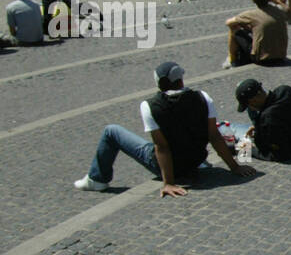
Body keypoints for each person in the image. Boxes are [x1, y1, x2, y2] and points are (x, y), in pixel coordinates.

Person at [73, 61, 258, 194]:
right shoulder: (203, 97)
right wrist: (234, 167)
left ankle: (97, 179)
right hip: (194, 159)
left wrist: (168, 182)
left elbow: (161, 147)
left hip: (173, 166)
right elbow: (214, 136)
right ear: (181, 80)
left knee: (111, 131)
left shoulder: (149, 106)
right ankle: (196, 166)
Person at [234, 78, 291, 161]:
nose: (250, 106)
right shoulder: (285, 90)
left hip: (286, 144)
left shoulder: (267, 120)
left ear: (253, 100)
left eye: (249, 104)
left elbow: (279, 154)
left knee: (231, 131)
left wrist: (250, 146)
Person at [223, 0, 290, 67]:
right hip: (280, 56)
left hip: (260, 58)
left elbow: (228, 23)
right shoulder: (279, 11)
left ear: (254, 1)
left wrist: (243, 24)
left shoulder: (252, 15)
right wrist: (275, 0)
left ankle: (232, 60)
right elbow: (288, 10)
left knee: (234, 28)